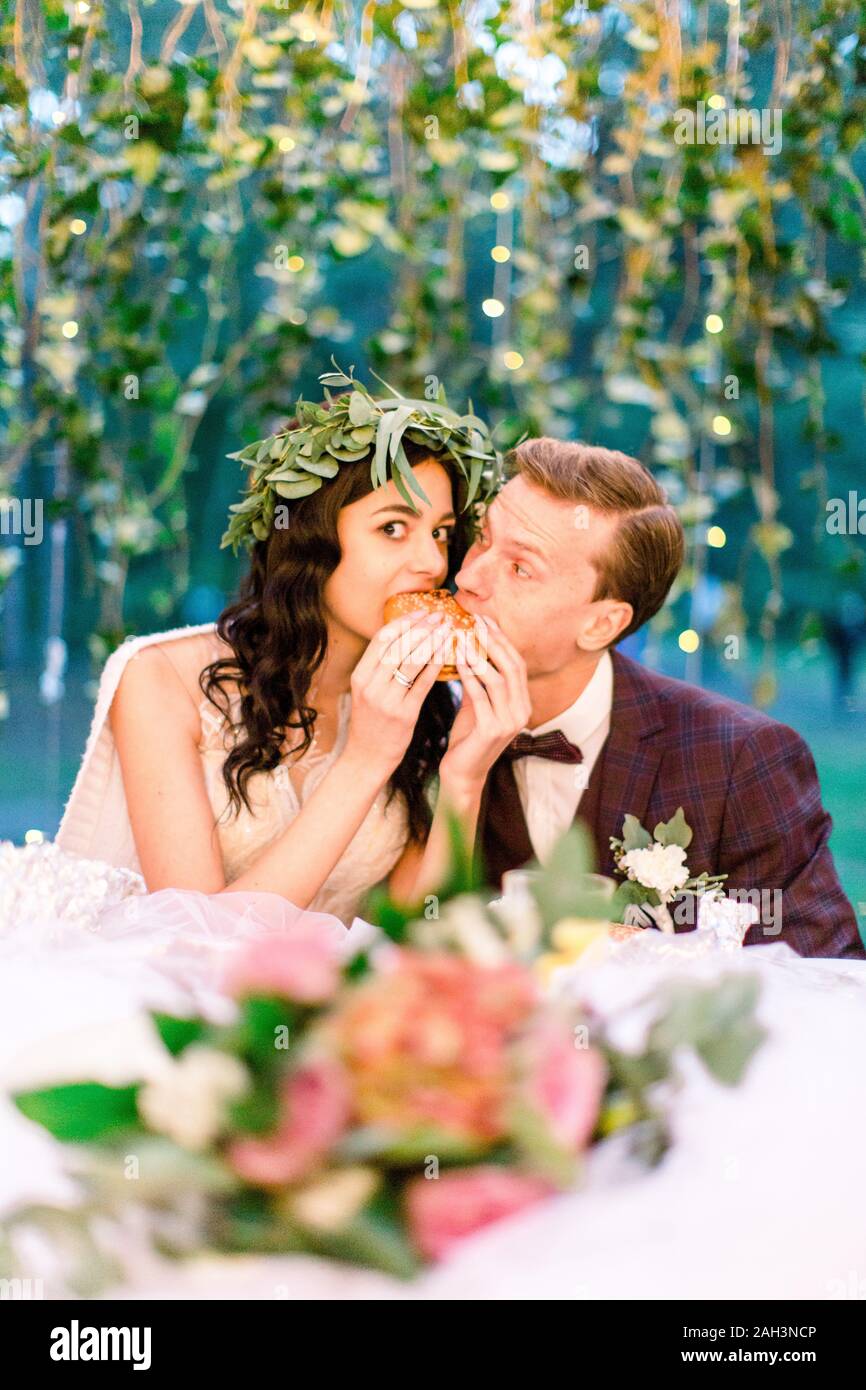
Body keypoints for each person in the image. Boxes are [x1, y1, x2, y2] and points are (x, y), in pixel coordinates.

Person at [52, 369, 529, 928]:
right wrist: (367, 758)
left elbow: (415, 937)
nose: (431, 563)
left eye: (441, 532)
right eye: (393, 528)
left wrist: (464, 777)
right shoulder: (158, 679)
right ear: (310, 539)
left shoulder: (422, 696)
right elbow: (193, 937)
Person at [451, 437, 865, 960]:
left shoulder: (741, 760)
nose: (467, 576)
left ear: (603, 622)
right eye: (482, 539)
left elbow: (828, 980)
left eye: (519, 568)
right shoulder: (417, 721)